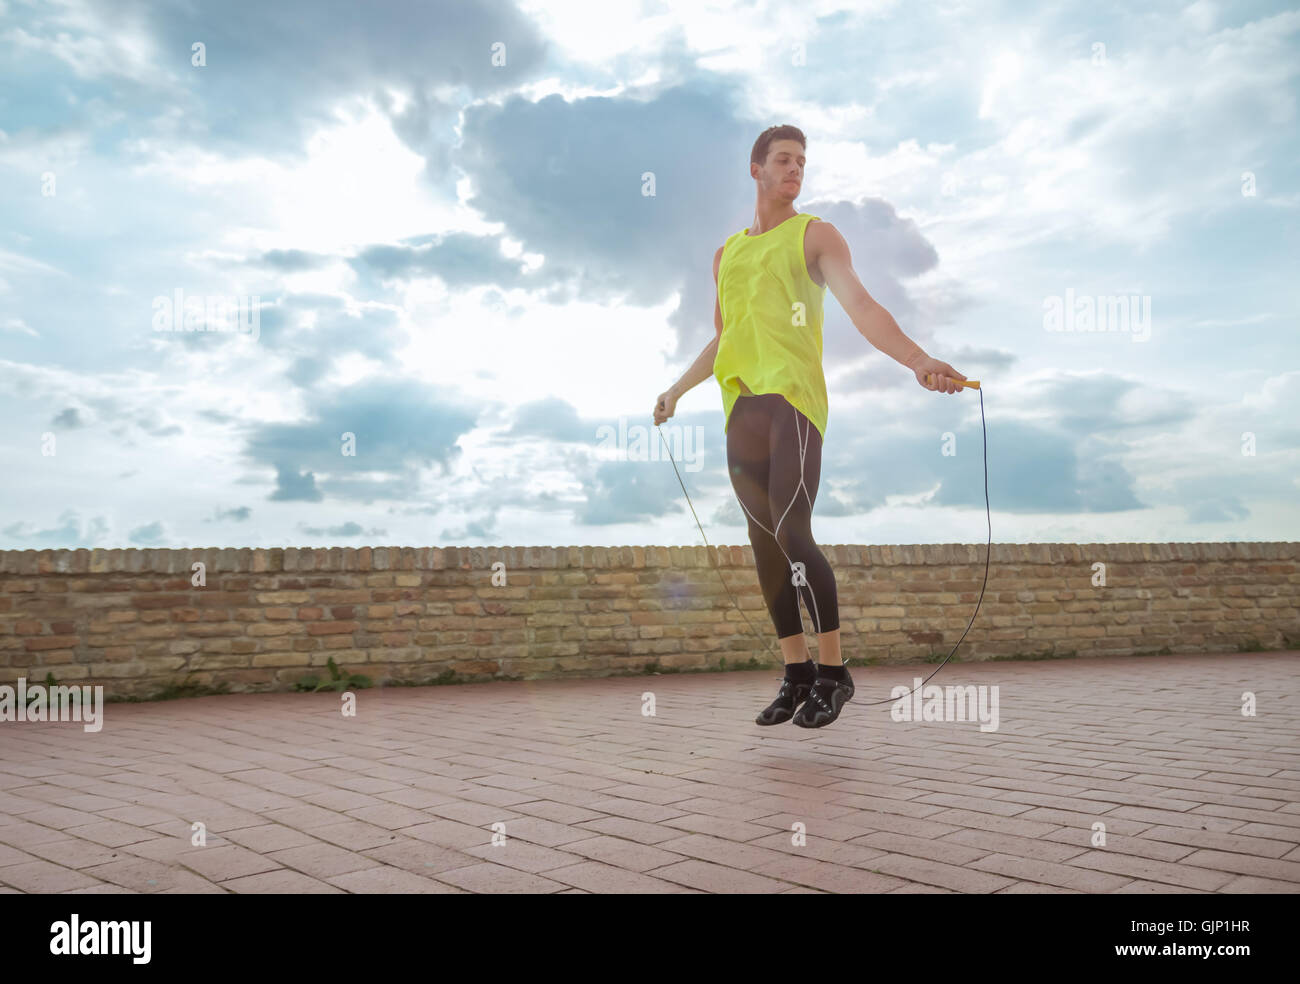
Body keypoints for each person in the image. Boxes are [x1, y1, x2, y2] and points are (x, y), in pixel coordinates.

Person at [654, 124, 966, 729]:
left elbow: (863, 305)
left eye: (802, 161)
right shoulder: (727, 255)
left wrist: (919, 361)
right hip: (739, 409)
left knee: (793, 532)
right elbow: (724, 339)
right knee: (763, 544)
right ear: (756, 169)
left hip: (792, 403)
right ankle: (795, 675)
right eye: (784, 160)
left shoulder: (815, 235)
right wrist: (675, 390)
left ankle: (833, 673)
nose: (795, 169)